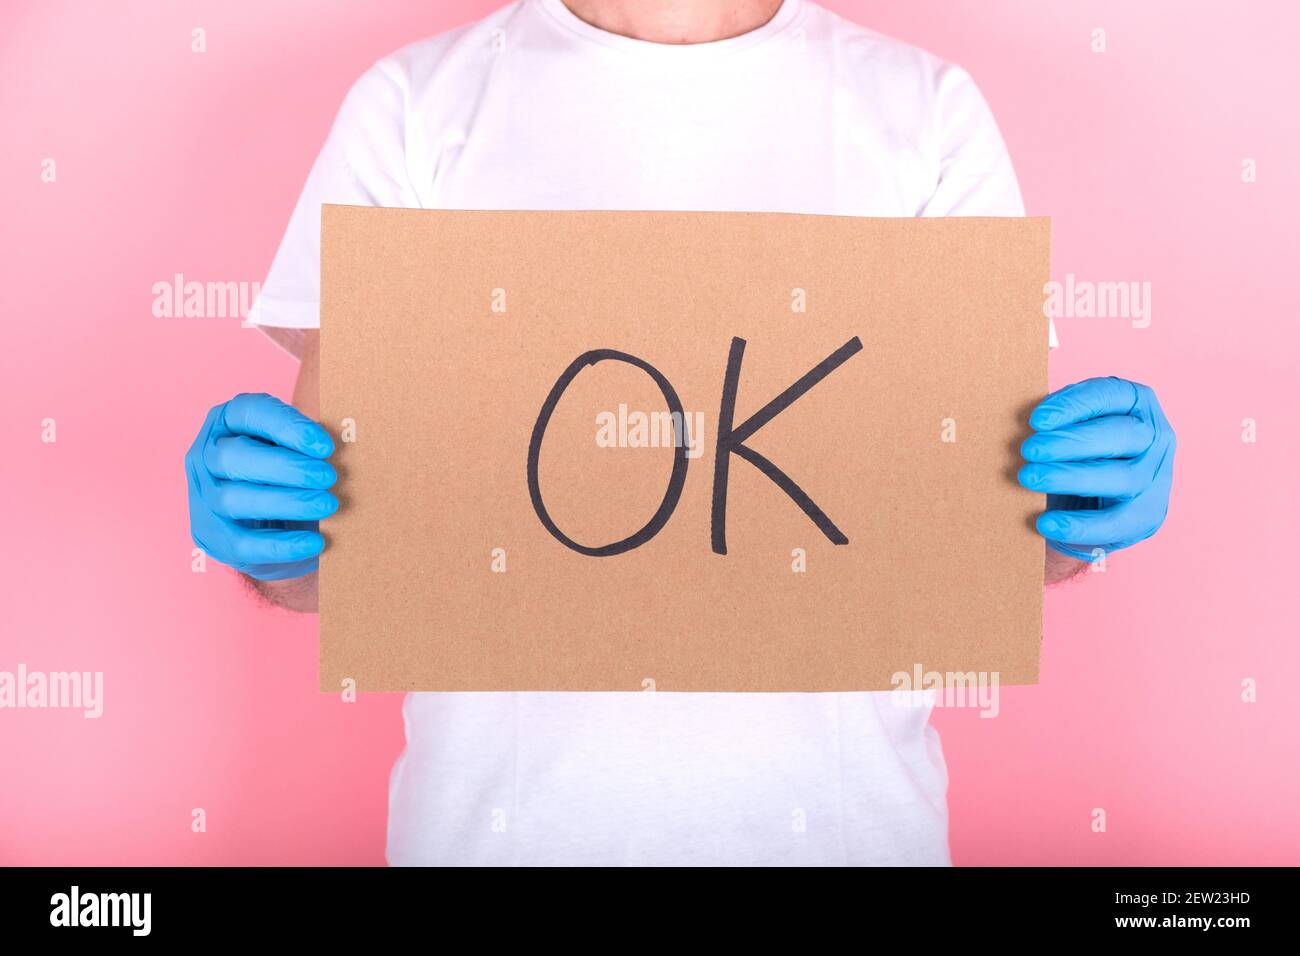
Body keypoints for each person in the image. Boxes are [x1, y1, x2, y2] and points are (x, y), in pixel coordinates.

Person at [185, 0, 1175, 865]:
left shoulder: (923, 111)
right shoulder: (412, 105)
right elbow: (340, 567)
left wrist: (1079, 517)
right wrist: (266, 537)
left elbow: (974, 547)